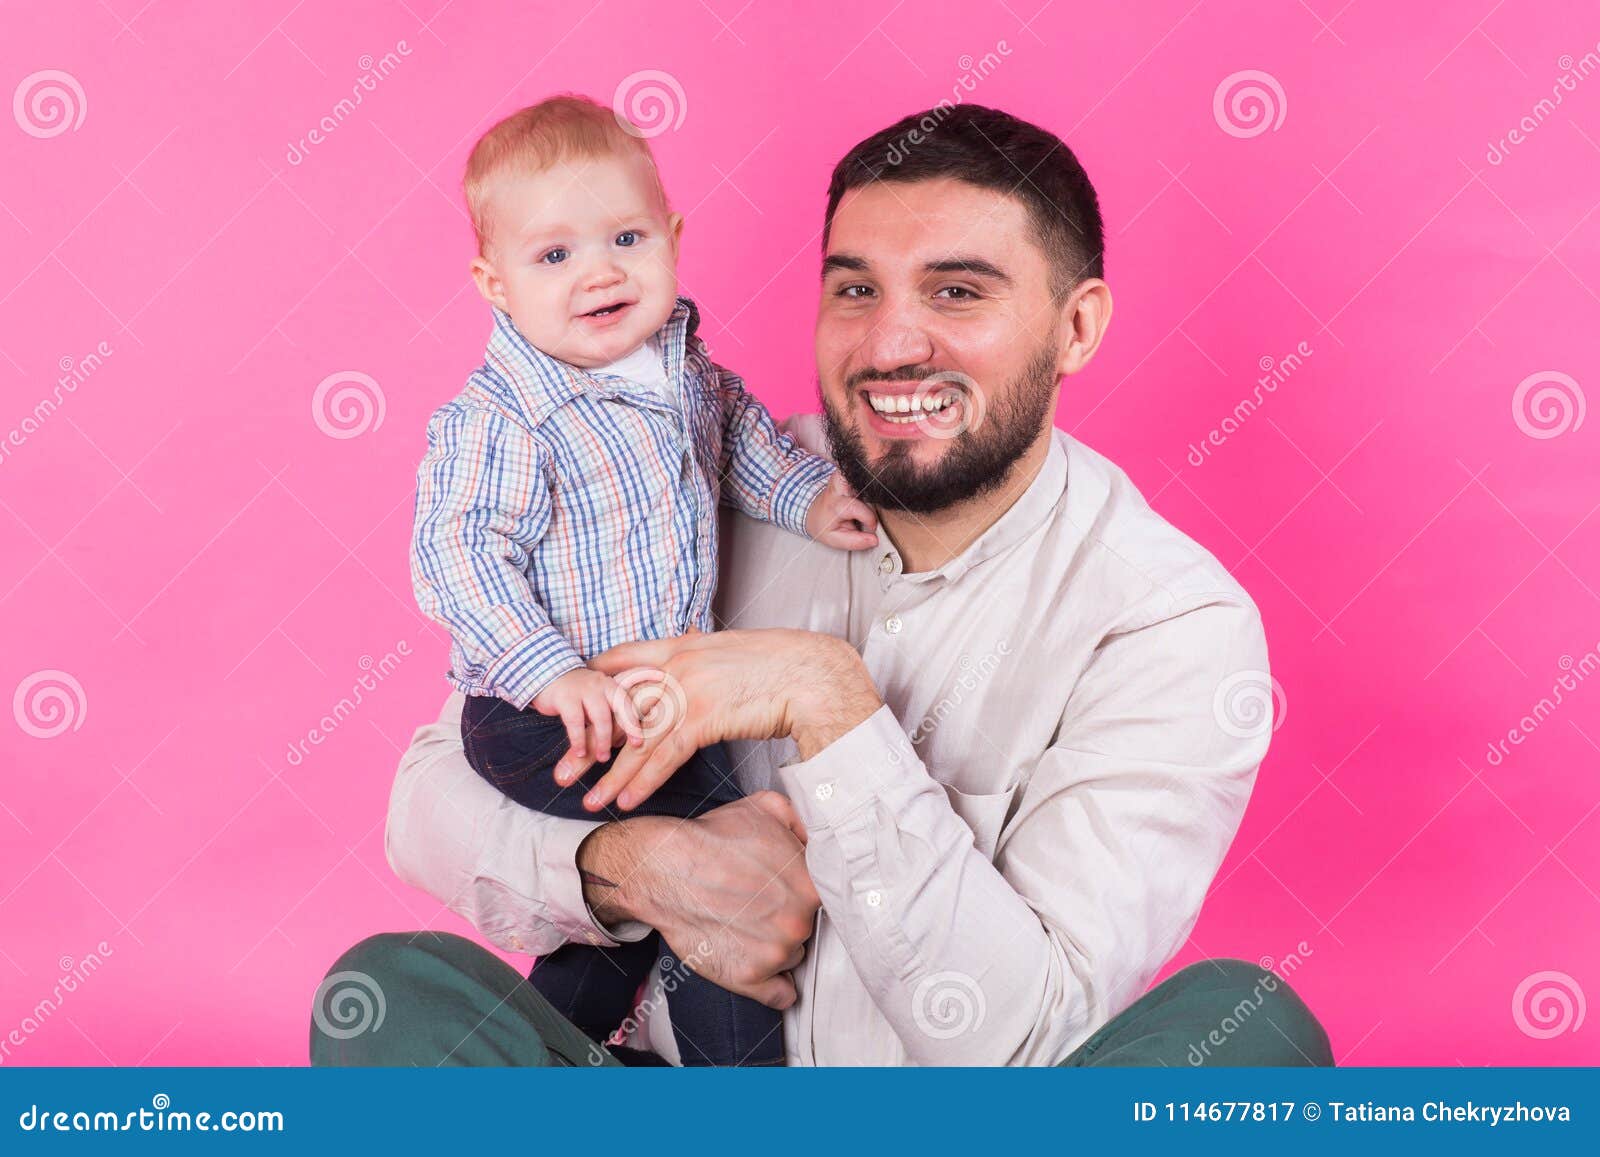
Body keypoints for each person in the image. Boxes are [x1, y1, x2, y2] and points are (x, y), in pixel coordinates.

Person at [314, 103, 1333, 1068]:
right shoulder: (689, 483)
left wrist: (830, 702)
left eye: (957, 290)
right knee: (385, 992)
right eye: (855, 289)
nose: (891, 343)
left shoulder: (1167, 622)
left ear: (1075, 327)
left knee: (1249, 1029)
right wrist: (633, 866)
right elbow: (428, 796)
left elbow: (1023, 1037)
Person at [407, 95, 875, 1067]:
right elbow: (456, 557)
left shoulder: (682, 367)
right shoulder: (505, 417)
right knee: (725, 887)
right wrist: (551, 671)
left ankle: (561, 1051)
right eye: (554, 256)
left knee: (659, 904)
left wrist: (805, 499)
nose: (600, 271)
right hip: (544, 713)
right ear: (494, 283)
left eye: (625, 236)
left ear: (671, 237)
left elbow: (738, 435)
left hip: (653, 705)